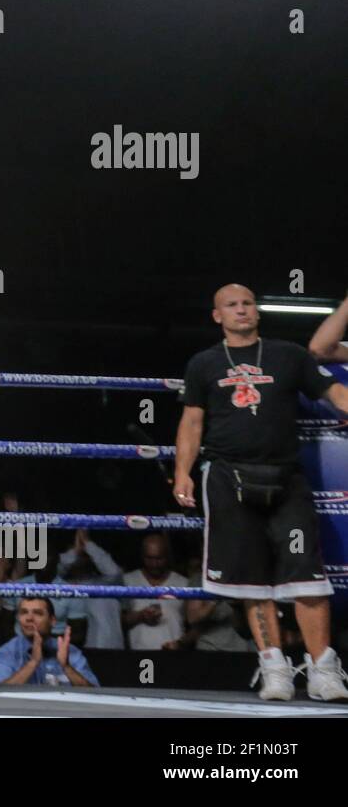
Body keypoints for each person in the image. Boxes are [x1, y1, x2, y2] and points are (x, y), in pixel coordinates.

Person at [174, 283, 348, 701]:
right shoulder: (204, 363)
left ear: (258, 311)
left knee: (308, 578)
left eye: (247, 303)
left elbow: (336, 392)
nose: (241, 310)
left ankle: (324, 670)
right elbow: (192, 422)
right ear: (217, 316)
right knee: (250, 583)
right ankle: (275, 668)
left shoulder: (289, 355)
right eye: (231, 305)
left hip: (286, 478)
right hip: (228, 479)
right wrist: (182, 472)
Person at [0, 597, 98, 686]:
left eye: (37, 613)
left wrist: (66, 667)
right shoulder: (5, 653)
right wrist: (33, 663)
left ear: (52, 621)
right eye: (24, 612)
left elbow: (95, 694)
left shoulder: (70, 652)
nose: (29, 618)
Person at [121, 535, 188, 650]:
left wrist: (181, 643)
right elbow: (116, 622)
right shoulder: (128, 580)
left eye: (159, 559)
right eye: (149, 558)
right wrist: (140, 616)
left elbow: (197, 627)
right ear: (142, 556)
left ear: (167, 557)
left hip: (174, 656)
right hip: (139, 657)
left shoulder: (184, 584)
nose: (154, 564)